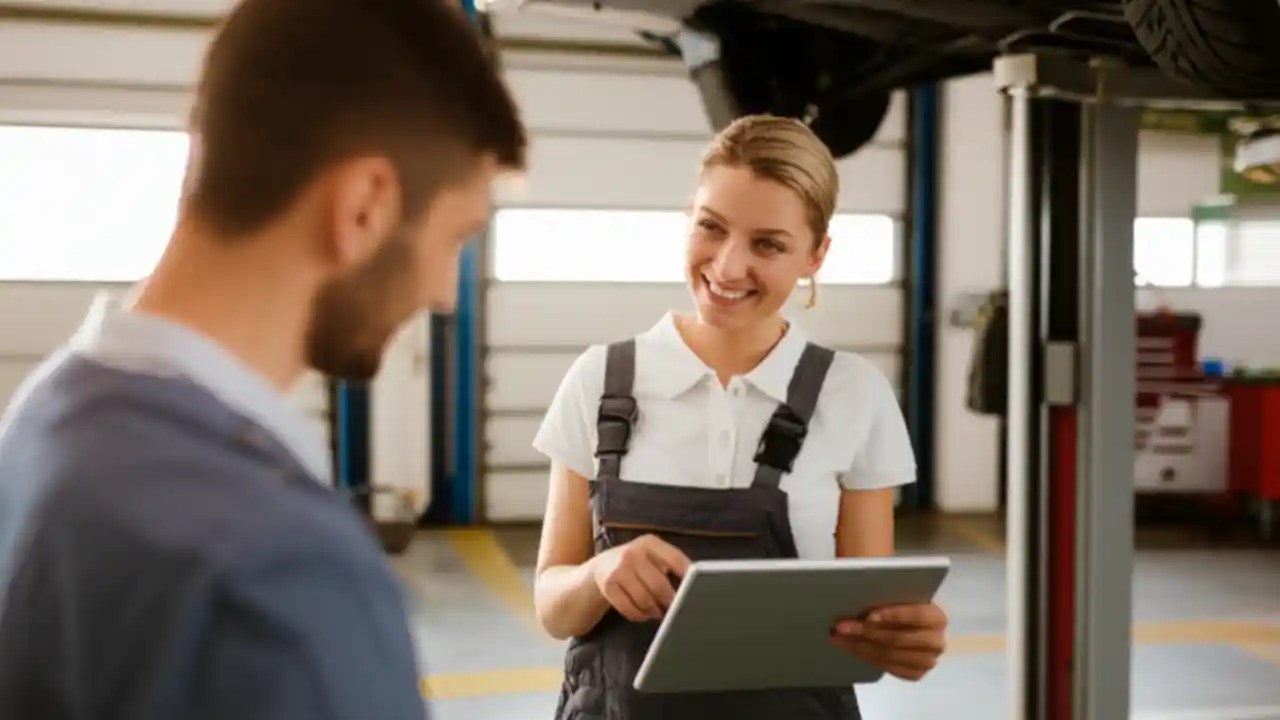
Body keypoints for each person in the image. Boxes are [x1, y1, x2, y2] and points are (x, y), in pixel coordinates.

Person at [0, 0, 525, 717]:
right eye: (455, 237)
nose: (442, 294)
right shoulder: (279, 572)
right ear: (366, 205)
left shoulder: (45, 418)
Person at [531, 115, 947, 719]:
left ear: (816, 254)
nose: (727, 268)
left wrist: (905, 639)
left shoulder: (854, 394)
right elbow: (552, 605)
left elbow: (866, 623)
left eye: (768, 244)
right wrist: (599, 574)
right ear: (688, 220)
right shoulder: (600, 381)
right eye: (711, 228)